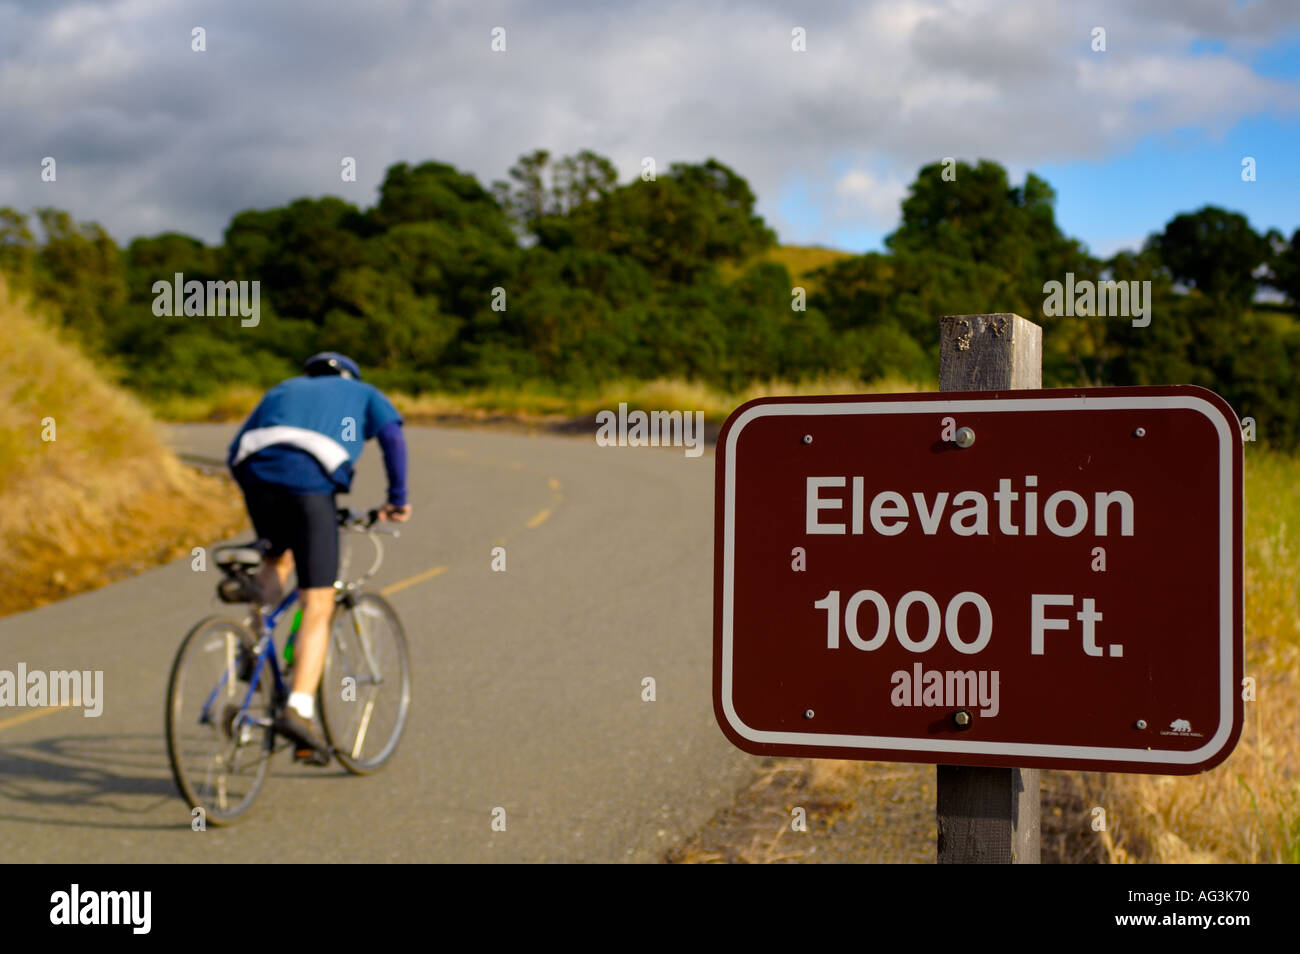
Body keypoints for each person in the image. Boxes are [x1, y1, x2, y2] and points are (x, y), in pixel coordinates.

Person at [226, 352, 411, 762]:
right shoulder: (363, 391)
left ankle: (253, 647)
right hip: (310, 481)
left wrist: (255, 488)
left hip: (256, 473)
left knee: (278, 560)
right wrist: (397, 499)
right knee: (317, 600)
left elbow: (234, 447)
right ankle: (299, 708)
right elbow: (393, 438)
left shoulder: (283, 389)